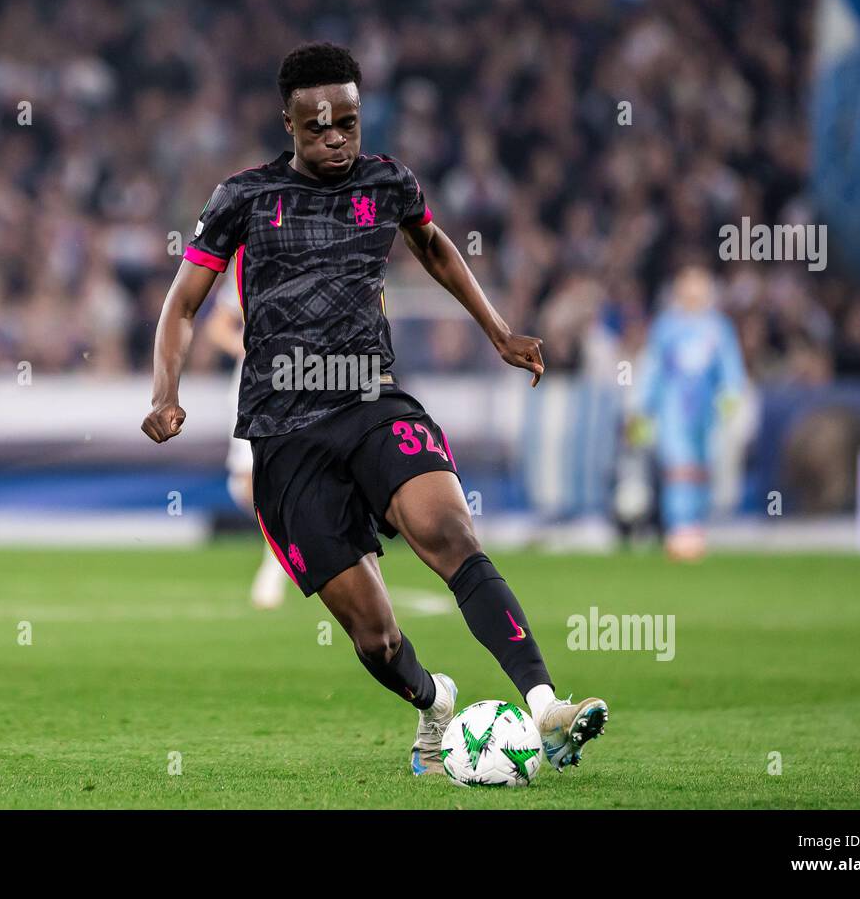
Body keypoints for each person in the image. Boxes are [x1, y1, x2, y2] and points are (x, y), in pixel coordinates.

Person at [142, 42, 607, 775]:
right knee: (376, 638)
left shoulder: (389, 183)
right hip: (285, 432)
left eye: (349, 125)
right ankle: (433, 701)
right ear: (288, 124)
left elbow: (436, 248)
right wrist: (165, 393)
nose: (336, 139)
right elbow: (182, 303)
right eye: (319, 127)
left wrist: (498, 331)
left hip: (372, 400)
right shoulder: (241, 199)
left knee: (451, 532)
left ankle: (546, 705)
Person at [628, 265, 746, 560]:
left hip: (707, 414)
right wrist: (642, 408)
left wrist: (730, 401)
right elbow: (652, 370)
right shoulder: (667, 327)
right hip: (673, 411)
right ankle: (679, 529)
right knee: (679, 468)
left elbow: (731, 370)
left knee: (702, 469)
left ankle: (696, 526)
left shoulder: (718, 327)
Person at [204, 276, 288, 609]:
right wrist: (253, 348)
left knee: (289, 470)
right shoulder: (247, 267)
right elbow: (217, 326)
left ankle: (279, 559)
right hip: (253, 383)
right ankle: (284, 545)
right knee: (245, 484)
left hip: (305, 377)